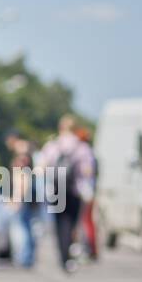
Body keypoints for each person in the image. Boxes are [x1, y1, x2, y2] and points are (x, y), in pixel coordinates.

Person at [37, 114, 96, 272]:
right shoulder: (82, 147)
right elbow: (88, 170)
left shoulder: (53, 145)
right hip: (74, 190)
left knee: (59, 224)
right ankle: (69, 253)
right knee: (71, 223)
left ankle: (63, 257)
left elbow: (41, 167)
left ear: (60, 128)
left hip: (57, 190)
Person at [5, 131, 38, 268]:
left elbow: (23, 180)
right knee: (26, 226)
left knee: (20, 228)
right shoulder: (27, 155)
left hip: (22, 197)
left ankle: (23, 257)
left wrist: (17, 199)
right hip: (26, 197)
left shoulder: (21, 156)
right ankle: (27, 256)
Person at [75, 124, 99, 260]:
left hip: (83, 191)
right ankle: (91, 248)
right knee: (88, 221)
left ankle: (88, 249)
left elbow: (88, 171)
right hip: (88, 190)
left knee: (83, 222)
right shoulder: (89, 151)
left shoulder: (82, 151)